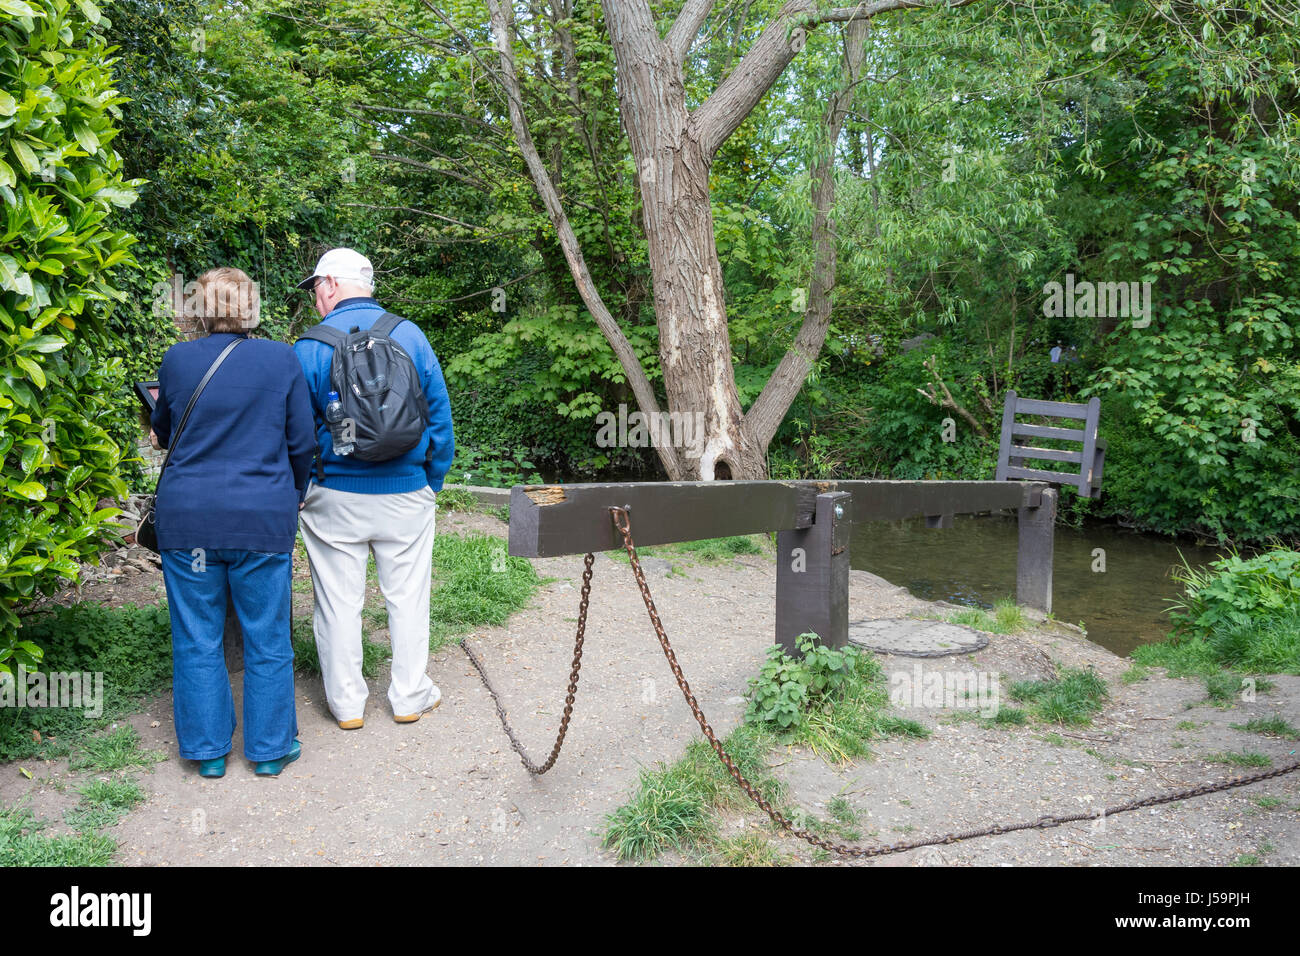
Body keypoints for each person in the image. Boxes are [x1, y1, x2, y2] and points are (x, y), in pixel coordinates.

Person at [150, 267, 315, 778]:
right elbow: (303, 443)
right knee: (268, 636)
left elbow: (162, 429)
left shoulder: (177, 360)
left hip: (189, 520)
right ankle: (268, 751)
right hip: (260, 519)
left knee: (196, 636)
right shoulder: (281, 359)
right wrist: (289, 498)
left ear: (200, 308)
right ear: (250, 307)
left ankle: (208, 753)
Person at [293, 249, 454, 729]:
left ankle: (346, 706)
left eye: (316, 287)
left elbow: (297, 432)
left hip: (334, 494)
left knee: (338, 601)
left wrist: (302, 486)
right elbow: (439, 415)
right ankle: (409, 696)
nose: (315, 298)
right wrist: (432, 478)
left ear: (331, 285)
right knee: (408, 596)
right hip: (407, 492)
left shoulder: (308, 348)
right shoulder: (410, 335)